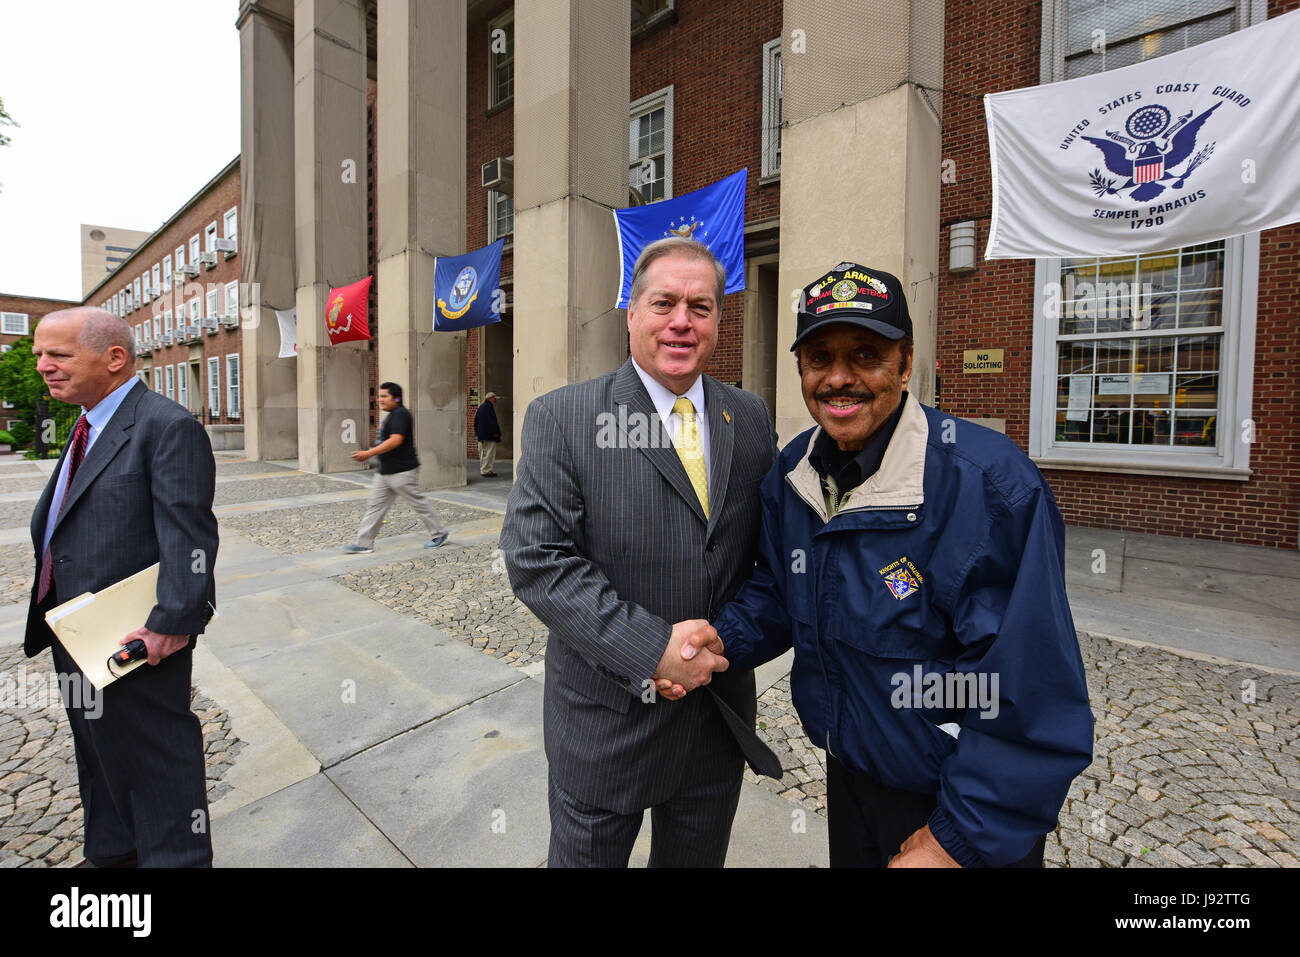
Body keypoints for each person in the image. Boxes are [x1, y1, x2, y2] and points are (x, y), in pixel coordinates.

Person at [670, 262, 1094, 867]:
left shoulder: (988, 486)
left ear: (905, 361)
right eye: (820, 358)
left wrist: (959, 839)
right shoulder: (793, 475)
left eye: (865, 354)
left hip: (951, 798)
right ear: (800, 370)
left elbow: (1030, 686)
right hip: (851, 774)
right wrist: (719, 640)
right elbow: (780, 588)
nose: (839, 378)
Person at [499, 237, 781, 867]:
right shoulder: (564, 418)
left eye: (700, 306)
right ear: (632, 312)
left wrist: (716, 648)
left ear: (717, 320)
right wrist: (653, 650)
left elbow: (769, 556)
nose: (682, 321)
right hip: (608, 726)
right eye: (664, 303)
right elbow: (539, 561)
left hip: (714, 722)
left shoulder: (752, 418)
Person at [26, 307, 218, 867]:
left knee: (159, 764)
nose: (43, 366)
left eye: (57, 354)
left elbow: (191, 535)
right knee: (100, 754)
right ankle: (114, 855)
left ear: (114, 358)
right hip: (76, 634)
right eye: (40, 354)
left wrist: (172, 623)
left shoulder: (166, 425)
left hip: (134, 641)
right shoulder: (89, 422)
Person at [344, 381, 450, 553]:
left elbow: (396, 440)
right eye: (379, 396)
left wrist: (368, 454)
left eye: (384, 396)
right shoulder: (391, 415)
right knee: (375, 506)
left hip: (402, 471)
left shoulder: (401, 414)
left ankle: (440, 533)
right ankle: (364, 543)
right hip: (385, 472)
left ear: (397, 398)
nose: (380, 399)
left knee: (418, 503)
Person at [474, 391, 502, 477]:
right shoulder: (489, 408)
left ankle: (484, 469)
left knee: (484, 453)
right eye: (494, 399)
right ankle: (486, 470)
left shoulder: (481, 407)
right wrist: (496, 432)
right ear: (491, 398)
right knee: (489, 453)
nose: (495, 400)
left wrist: (477, 433)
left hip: (482, 435)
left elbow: (476, 421)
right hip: (489, 436)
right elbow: (492, 422)